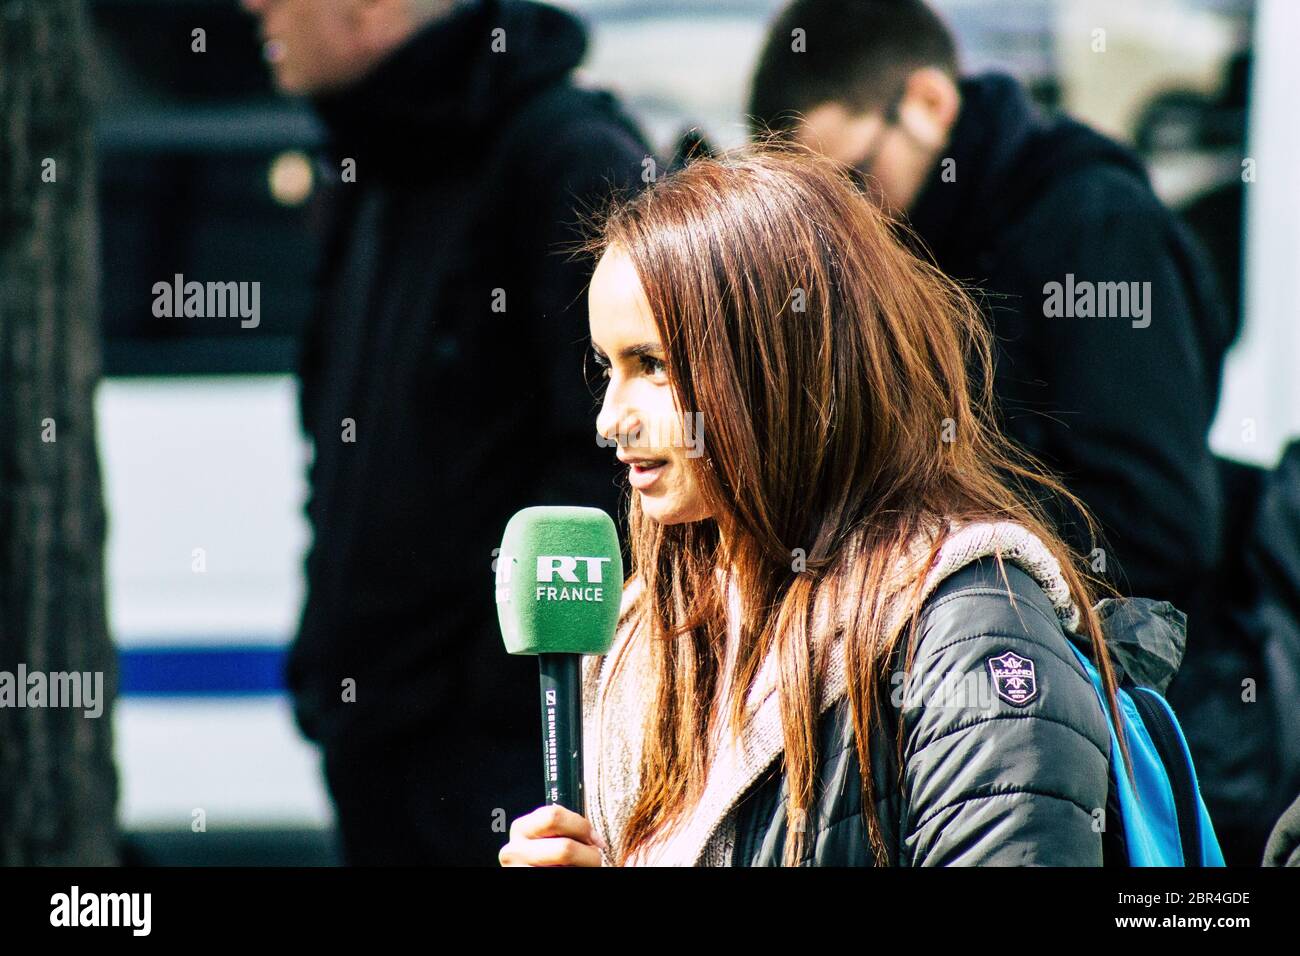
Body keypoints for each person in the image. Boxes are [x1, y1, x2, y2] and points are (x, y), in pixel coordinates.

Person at [497, 143, 1171, 867]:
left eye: (653, 366)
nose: (608, 419)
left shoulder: (971, 631)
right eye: (608, 368)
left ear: (778, 368)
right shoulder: (653, 624)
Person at [745, 0, 1252, 861]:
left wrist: (948, 569)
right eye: (820, 207)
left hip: (1110, 722)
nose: (850, 226)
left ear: (931, 104)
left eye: (857, 181)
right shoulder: (923, 244)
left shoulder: (1092, 223)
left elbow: (1159, 520)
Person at [241, 0, 651, 864]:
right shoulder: (373, 163)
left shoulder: (564, 157)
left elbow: (617, 458)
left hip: (499, 769)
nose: (251, 6)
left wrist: (496, 697)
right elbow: (341, 448)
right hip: (379, 741)